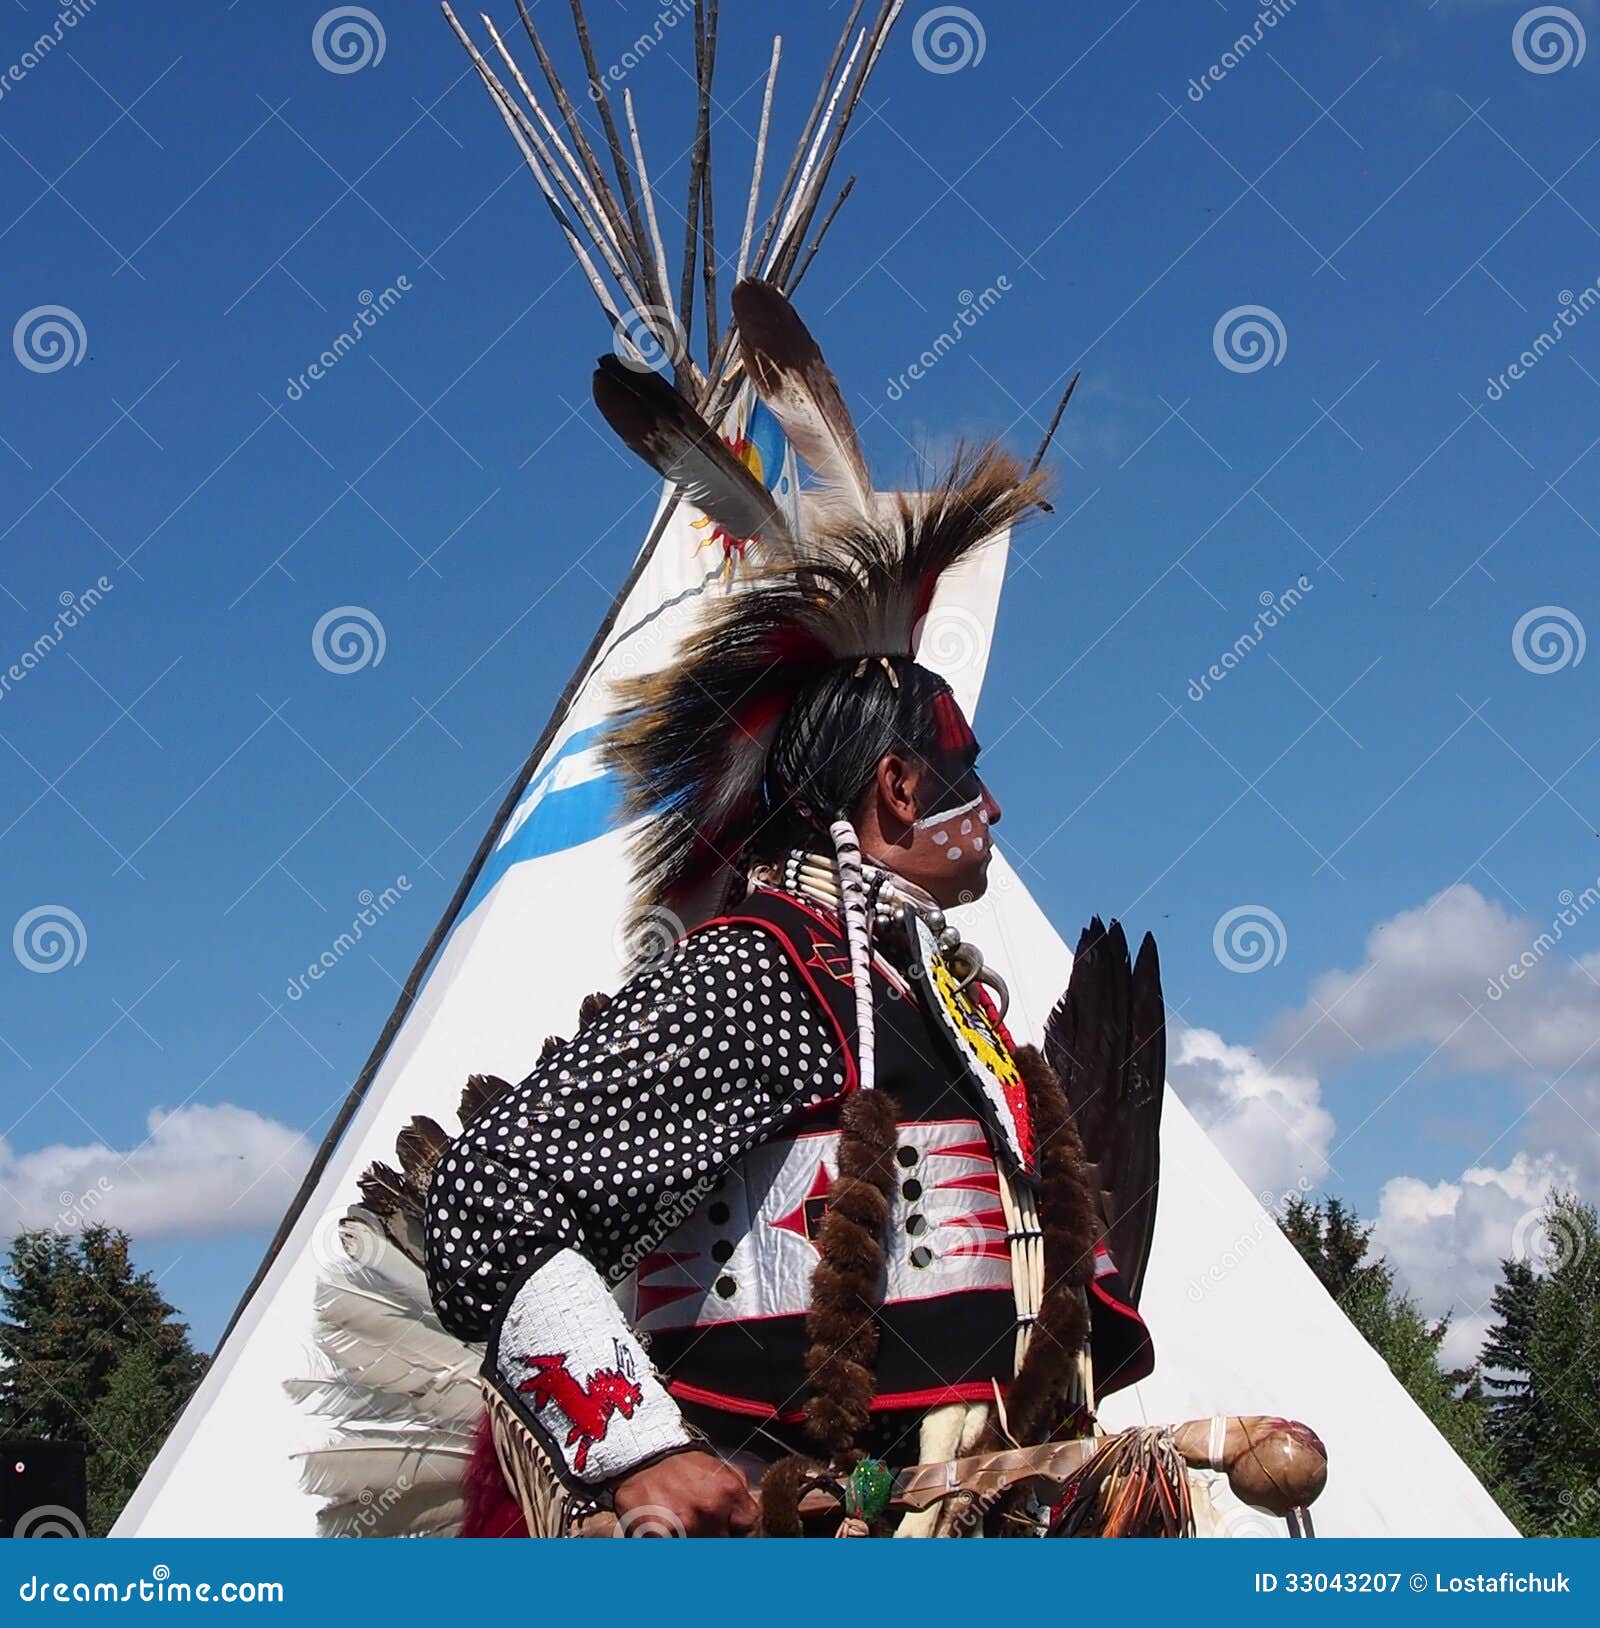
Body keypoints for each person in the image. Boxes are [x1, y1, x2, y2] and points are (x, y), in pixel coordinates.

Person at [422, 283, 1154, 1537]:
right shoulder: (768, 971)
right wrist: (635, 1445)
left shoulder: (933, 993)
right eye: (968, 782)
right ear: (895, 786)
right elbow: (490, 1191)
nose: (993, 814)